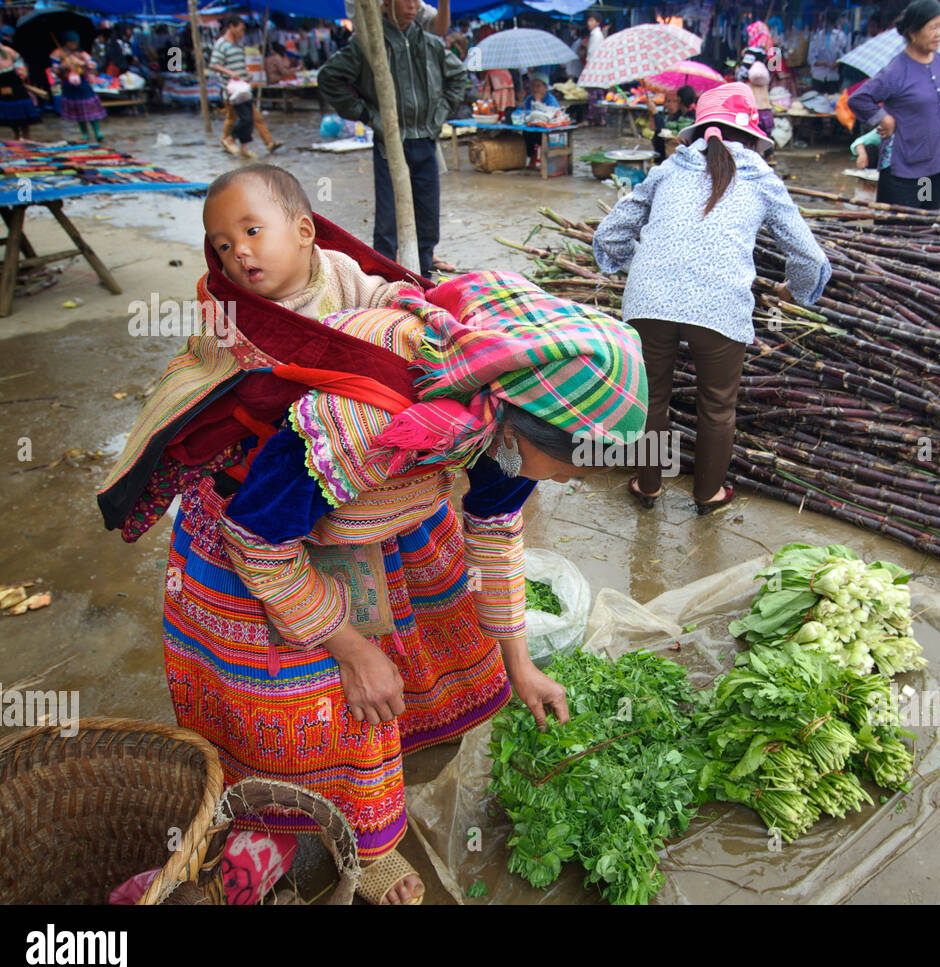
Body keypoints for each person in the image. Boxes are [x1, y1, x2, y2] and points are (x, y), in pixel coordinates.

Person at [99, 162, 648, 905]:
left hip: (359, 508)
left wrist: (519, 661)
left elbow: (493, 525)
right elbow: (256, 539)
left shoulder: (502, 408)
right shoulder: (368, 420)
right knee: (310, 702)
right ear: (519, 424)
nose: (580, 480)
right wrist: (349, 646)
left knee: (400, 668)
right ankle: (292, 824)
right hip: (258, 526)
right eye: (578, 463)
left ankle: (372, 828)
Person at [593, 82, 830, 514]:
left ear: (700, 130)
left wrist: (640, 270)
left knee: (651, 400)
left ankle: (648, 486)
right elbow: (809, 258)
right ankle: (708, 495)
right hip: (720, 304)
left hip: (649, 299)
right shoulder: (762, 178)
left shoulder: (668, 169)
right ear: (754, 135)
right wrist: (792, 292)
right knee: (718, 407)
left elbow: (610, 233)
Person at [318, 0, 468, 275]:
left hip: (424, 139)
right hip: (389, 143)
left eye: (416, 1)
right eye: (405, 0)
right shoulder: (369, 44)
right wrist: (367, 115)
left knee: (427, 217)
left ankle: (422, 277)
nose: (412, 6)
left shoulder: (429, 44)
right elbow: (329, 78)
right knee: (387, 223)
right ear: (386, 4)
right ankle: (384, 282)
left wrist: (439, 115)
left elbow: (459, 76)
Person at [849, 0, 940, 209]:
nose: (939, 33)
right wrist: (883, 118)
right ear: (914, 32)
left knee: (926, 223)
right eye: (933, 27)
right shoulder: (897, 70)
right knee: (900, 229)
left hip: (934, 168)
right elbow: (859, 99)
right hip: (904, 168)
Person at [209, 15, 282, 160]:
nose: (242, 33)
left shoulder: (239, 44)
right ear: (231, 27)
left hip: (242, 88)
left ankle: (264, 143)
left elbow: (240, 64)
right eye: (240, 30)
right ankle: (230, 140)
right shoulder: (221, 44)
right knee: (242, 117)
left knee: (246, 117)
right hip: (230, 89)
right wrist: (231, 73)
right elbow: (214, 64)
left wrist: (245, 74)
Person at [0, 26, 38, 140]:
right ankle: (16, 134)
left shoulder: (6, 50)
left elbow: (19, 60)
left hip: (13, 80)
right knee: (9, 110)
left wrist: (22, 74)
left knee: (21, 106)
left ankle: (26, 135)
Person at [50, 31, 106, 143]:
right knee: (78, 111)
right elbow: (54, 69)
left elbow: (93, 64)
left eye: (75, 43)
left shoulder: (81, 53)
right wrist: (62, 66)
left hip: (83, 84)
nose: (73, 46)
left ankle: (97, 131)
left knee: (89, 108)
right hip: (68, 84)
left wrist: (82, 63)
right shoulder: (58, 53)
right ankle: (84, 133)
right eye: (71, 43)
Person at [520, 72, 559, 165]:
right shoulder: (529, 99)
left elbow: (553, 115)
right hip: (533, 130)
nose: (535, 89)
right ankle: (530, 157)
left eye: (538, 86)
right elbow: (525, 113)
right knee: (525, 134)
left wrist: (538, 102)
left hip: (549, 132)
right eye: (533, 86)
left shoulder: (550, 100)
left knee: (537, 135)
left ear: (545, 87)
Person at [651, 85, 697, 162]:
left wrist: (655, 113)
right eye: (668, 101)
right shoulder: (677, 115)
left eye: (674, 101)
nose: (668, 105)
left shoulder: (691, 119)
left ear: (679, 100)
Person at [584, 14, 606, 125]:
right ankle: (601, 118)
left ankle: (591, 118)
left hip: (594, 69)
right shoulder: (596, 34)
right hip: (597, 69)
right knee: (599, 94)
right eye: (588, 20)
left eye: (592, 20)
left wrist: (588, 70)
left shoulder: (596, 35)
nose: (589, 22)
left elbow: (592, 54)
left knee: (593, 95)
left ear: (597, 23)